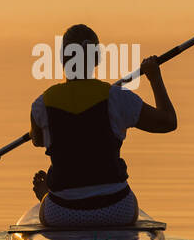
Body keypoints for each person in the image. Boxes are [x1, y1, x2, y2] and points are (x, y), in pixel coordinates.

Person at [30, 23, 177, 227]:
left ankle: (46, 194)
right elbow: (168, 122)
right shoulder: (117, 98)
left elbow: (37, 141)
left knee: (50, 196)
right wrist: (154, 77)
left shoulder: (41, 105)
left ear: (62, 59)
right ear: (97, 58)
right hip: (116, 209)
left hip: (63, 213)